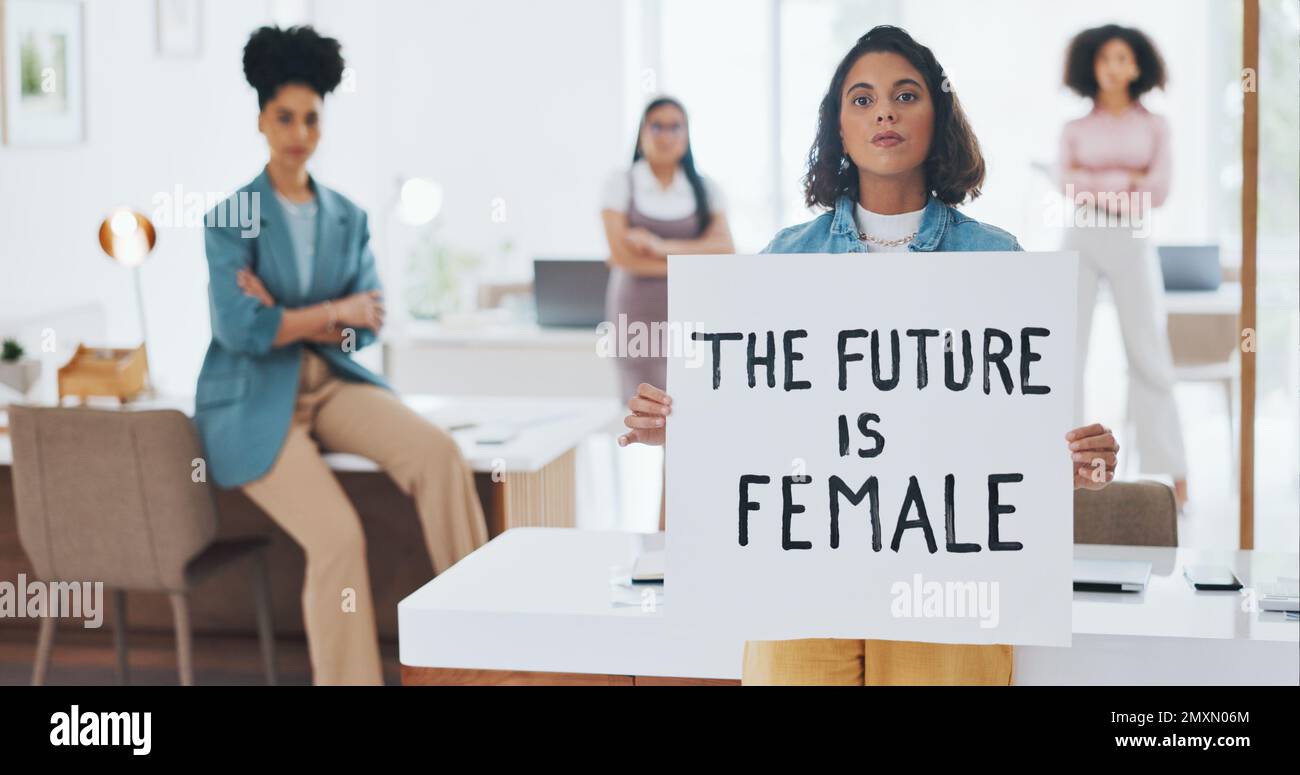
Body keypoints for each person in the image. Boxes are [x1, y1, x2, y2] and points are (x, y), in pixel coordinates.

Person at [617, 26, 1121, 685]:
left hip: (945, 579)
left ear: (937, 117)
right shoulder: (785, 260)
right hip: (800, 581)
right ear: (840, 128)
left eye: (905, 94)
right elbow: (761, 420)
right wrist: (683, 424)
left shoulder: (996, 260)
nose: (884, 111)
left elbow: (1008, 431)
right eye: (862, 99)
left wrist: (1074, 460)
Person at [194, 25, 487, 685]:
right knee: (337, 538)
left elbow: (370, 321)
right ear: (262, 120)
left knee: (440, 455)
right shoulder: (230, 218)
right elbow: (242, 331)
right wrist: (331, 313)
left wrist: (291, 317)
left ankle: (480, 644)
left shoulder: (348, 217)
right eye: (285, 117)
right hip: (253, 399)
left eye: (311, 118)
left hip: (333, 384)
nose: (299, 131)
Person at [1059, 24, 1188, 508]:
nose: (1114, 66)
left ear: (1138, 66)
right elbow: (1066, 185)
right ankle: (1064, 464)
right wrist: (1125, 178)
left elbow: (1158, 191)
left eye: (1124, 58)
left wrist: (1096, 179)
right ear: (1091, 65)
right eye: (1106, 58)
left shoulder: (1156, 126)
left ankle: (1169, 472)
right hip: (1082, 233)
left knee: (1148, 350)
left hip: (1132, 234)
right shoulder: (1074, 129)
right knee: (1067, 350)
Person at [601, 96, 734, 529]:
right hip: (637, 322)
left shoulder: (705, 187)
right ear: (642, 132)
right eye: (656, 126)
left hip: (691, 322)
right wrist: (689, 259)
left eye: (675, 126)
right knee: (657, 423)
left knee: (687, 428)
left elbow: (725, 249)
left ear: (687, 135)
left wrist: (661, 246)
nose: (666, 134)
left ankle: (675, 533)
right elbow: (624, 258)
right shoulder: (622, 183)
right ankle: (663, 539)